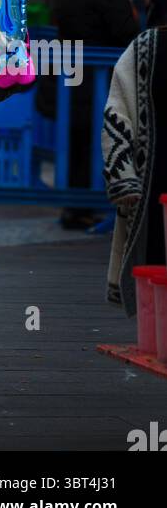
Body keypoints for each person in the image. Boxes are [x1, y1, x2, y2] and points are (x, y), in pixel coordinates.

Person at [47, 0, 140, 230]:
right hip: (103, 77)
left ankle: (76, 207)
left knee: (77, 140)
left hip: (72, 75)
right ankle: (107, 203)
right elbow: (126, 32)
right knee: (105, 139)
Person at [102, 25, 167, 313]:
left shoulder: (147, 46)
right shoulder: (147, 47)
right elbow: (116, 112)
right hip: (153, 185)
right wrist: (123, 177)